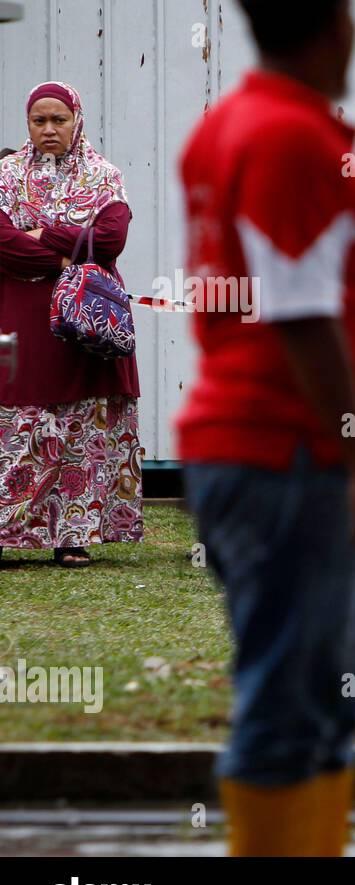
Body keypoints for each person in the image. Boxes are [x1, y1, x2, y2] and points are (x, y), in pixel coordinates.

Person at [177, 0, 355, 856]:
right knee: (292, 698)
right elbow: (302, 313)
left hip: (272, 450)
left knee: (329, 694)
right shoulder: (290, 138)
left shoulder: (236, 124)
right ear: (336, 24)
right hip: (289, 452)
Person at [0, 81, 142, 566]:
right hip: (24, 316)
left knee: (85, 423)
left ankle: (73, 537)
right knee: (23, 419)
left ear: (76, 120)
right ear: (28, 125)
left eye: (58, 119)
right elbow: (3, 242)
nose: (49, 130)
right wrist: (67, 252)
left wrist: (45, 234)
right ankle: (12, 535)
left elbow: (111, 238)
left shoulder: (104, 176)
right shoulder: (7, 175)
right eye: (39, 121)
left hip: (89, 320)